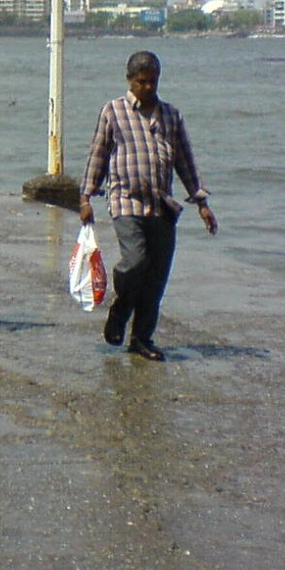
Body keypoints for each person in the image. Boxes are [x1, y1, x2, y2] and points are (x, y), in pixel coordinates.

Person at [79, 50, 217, 362]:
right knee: (135, 261)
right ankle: (121, 307)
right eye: (142, 82)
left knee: (156, 278)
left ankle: (141, 338)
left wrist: (201, 202)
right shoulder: (113, 112)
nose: (148, 87)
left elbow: (185, 160)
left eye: (153, 81)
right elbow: (98, 154)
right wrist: (86, 197)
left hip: (162, 207)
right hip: (126, 201)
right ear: (130, 81)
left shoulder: (171, 115)